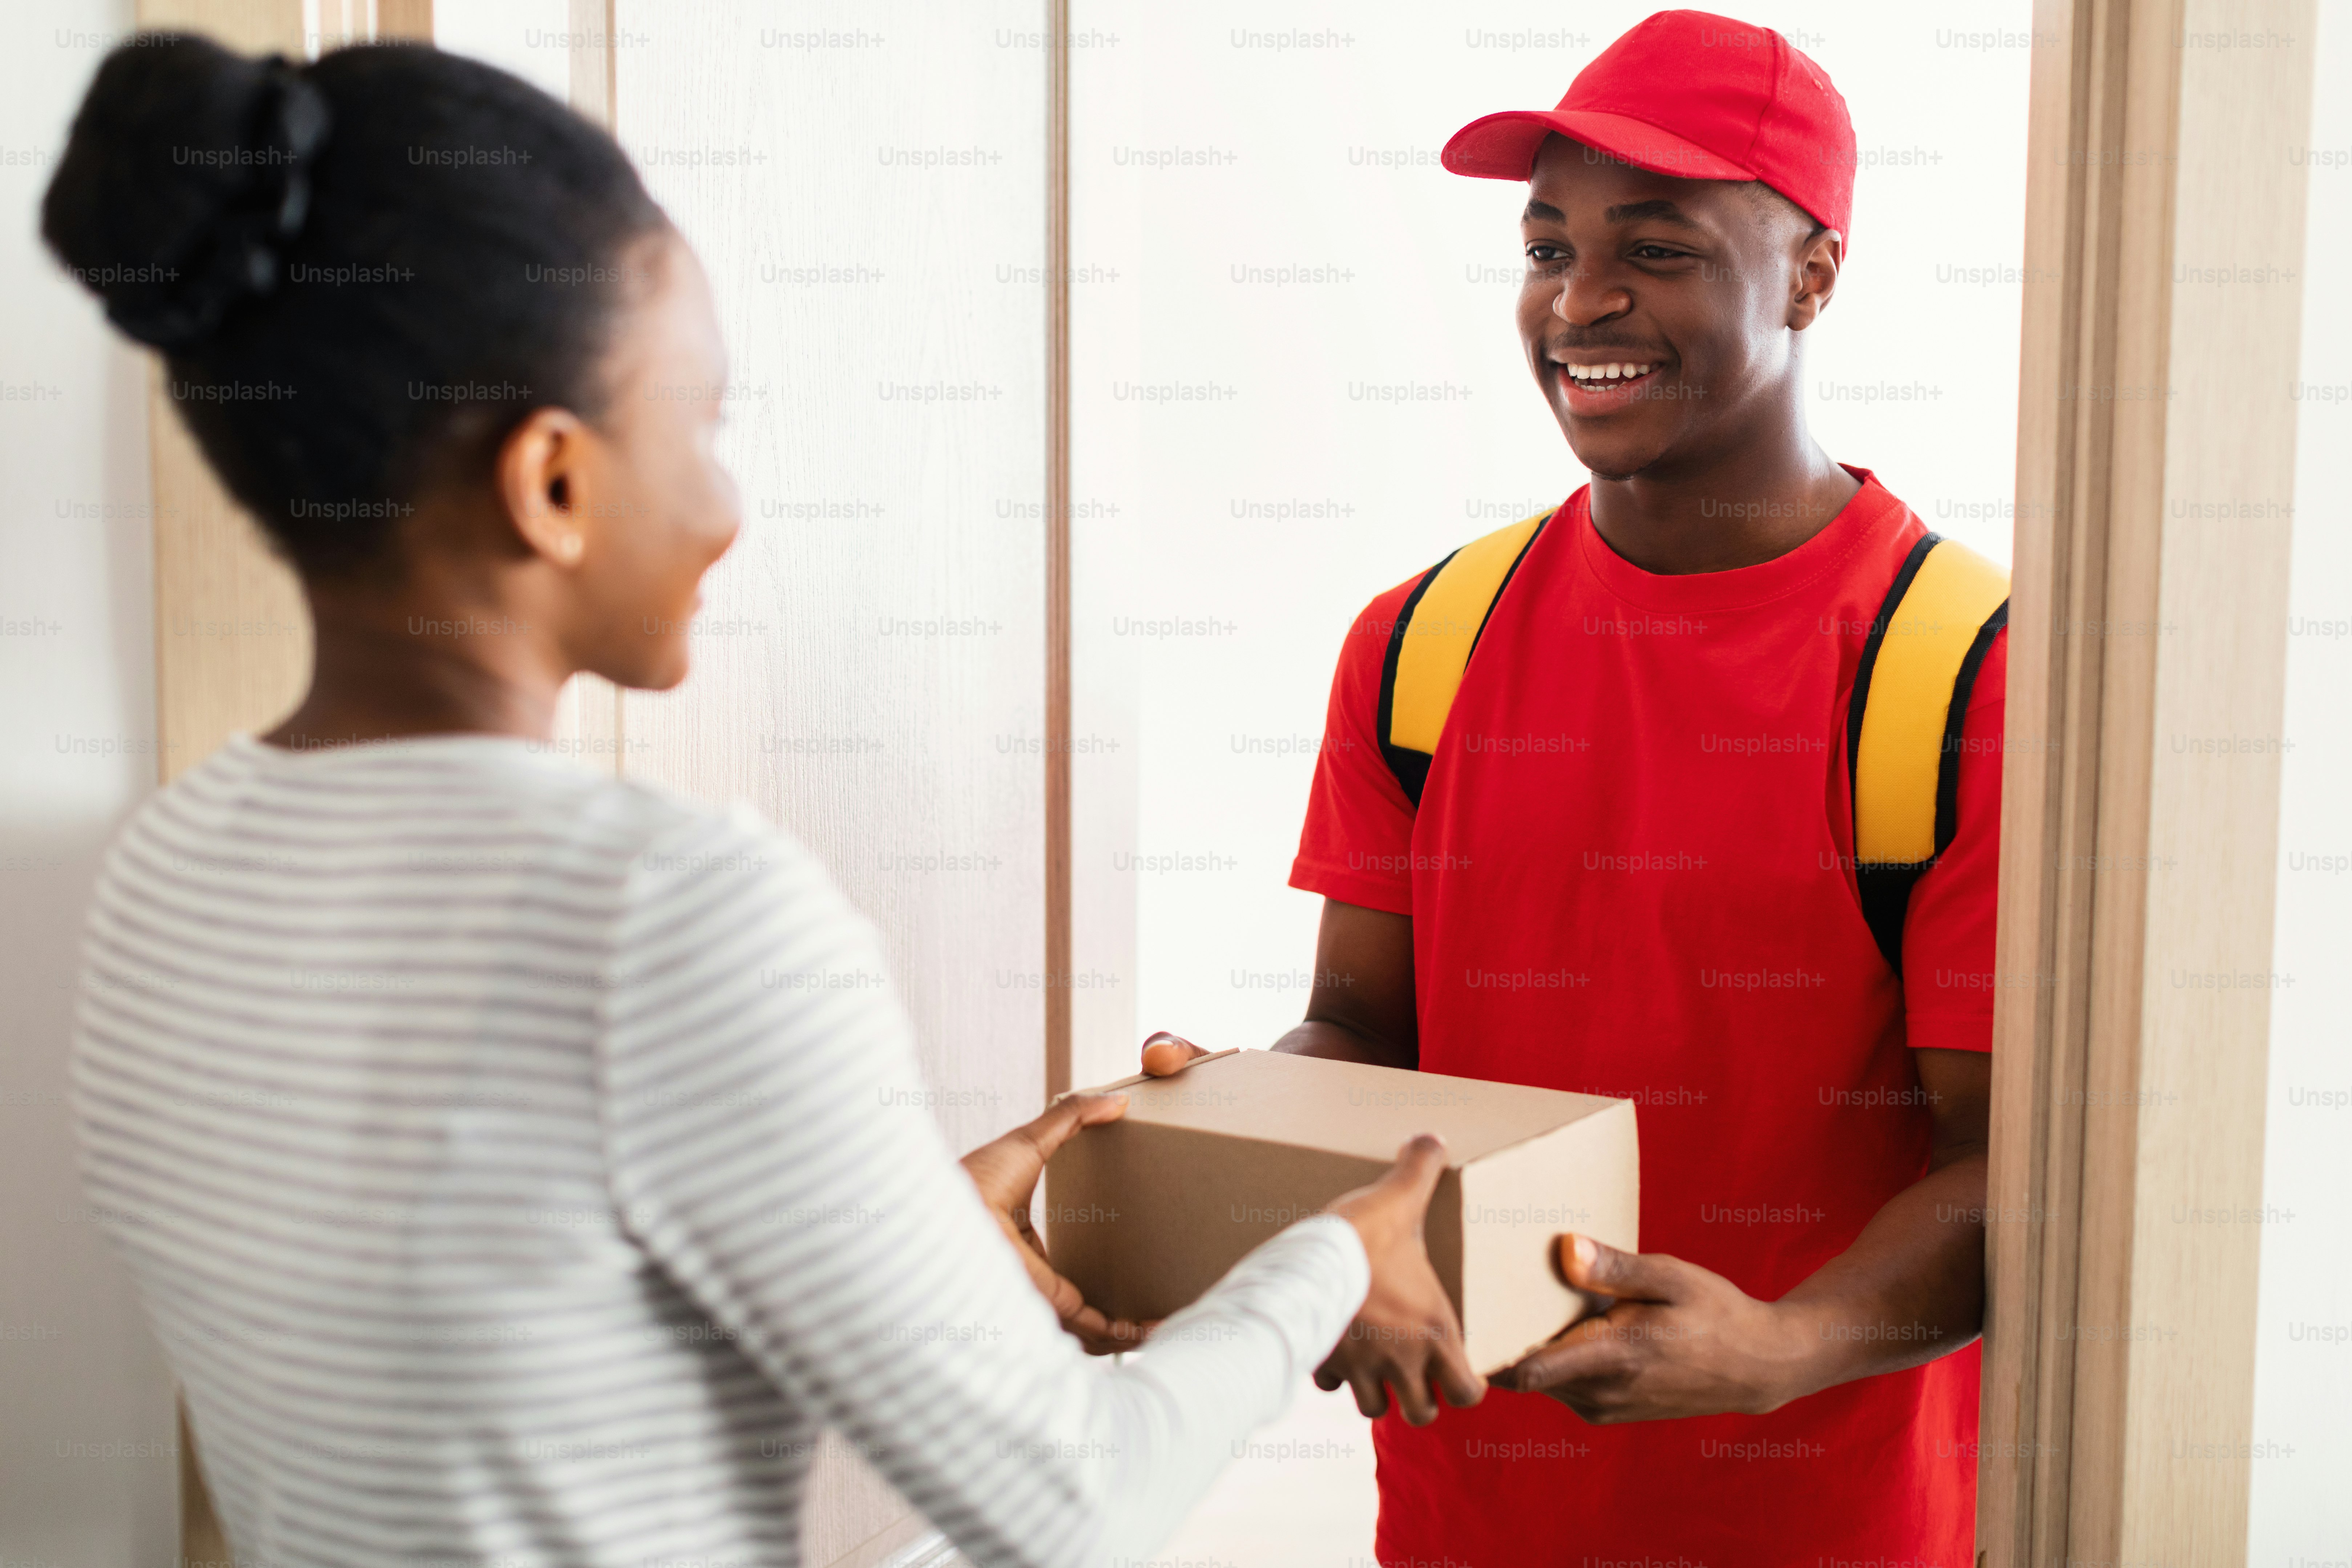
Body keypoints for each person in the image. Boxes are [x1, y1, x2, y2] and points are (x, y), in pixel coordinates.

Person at [49, 35, 1482, 1568]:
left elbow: (487, 1319)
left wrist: (889, 1234)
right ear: (550, 481)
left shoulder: (165, 865)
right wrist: (1334, 1255)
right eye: (704, 423)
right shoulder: (667, 903)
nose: (728, 505)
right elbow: (1076, 1492)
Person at [1144, 12, 2002, 1567]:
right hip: (1467, 1509)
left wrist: (1778, 1342)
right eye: (1548, 243)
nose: (1579, 300)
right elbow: (1365, 1030)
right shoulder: (1419, 644)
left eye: (1656, 249)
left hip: (1830, 1519)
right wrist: (1252, 1132)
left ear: (1812, 275)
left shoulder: (1958, 668)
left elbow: (2001, 1155)